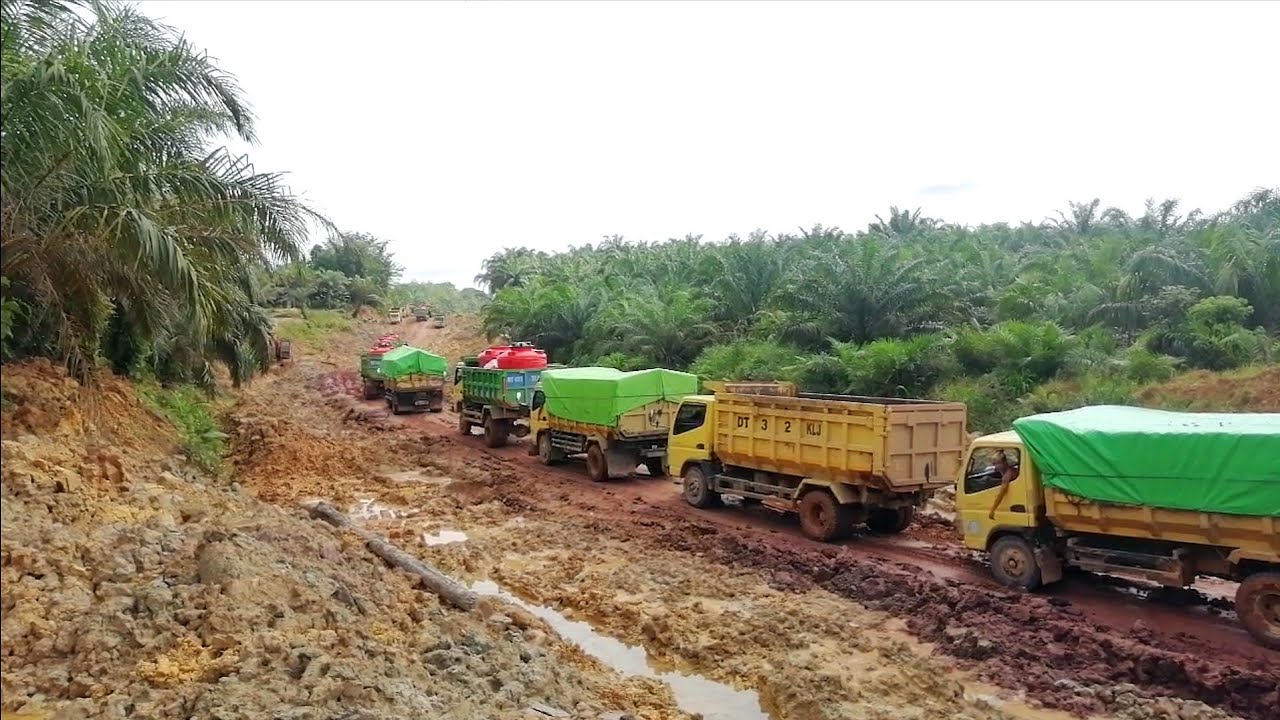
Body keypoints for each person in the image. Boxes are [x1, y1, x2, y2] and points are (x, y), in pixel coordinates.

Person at [987, 451, 1020, 519]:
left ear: (1005, 462)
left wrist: (992, 510)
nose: (997, 466)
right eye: (995, 464)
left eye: (999, 463)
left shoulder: (1007, 475)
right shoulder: (1011, 470)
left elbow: (1001, 494)